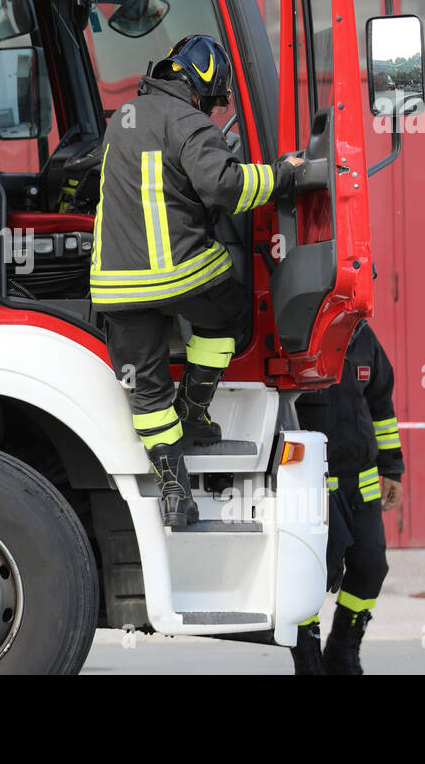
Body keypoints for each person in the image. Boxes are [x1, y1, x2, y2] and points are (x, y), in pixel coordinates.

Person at [90, 34, 303, 527]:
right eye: (213, 98)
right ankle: (195, 410)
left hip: (115, 288)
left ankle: (173, 486)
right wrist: (282, 176)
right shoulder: (189, 122)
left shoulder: (123, 119)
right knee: (229, 314)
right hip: (181, 276)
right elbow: (225, 187)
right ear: (201, 85)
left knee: (146, 390)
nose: (211, 108)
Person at [289, 320, 404, 674]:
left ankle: (342, 649)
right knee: (311, 579)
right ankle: (308, 663)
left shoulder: (363, 337)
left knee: (371, 568)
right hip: (313, 486)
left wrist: (392, 468)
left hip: (364, 485)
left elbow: (381, 407)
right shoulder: (294, 335)